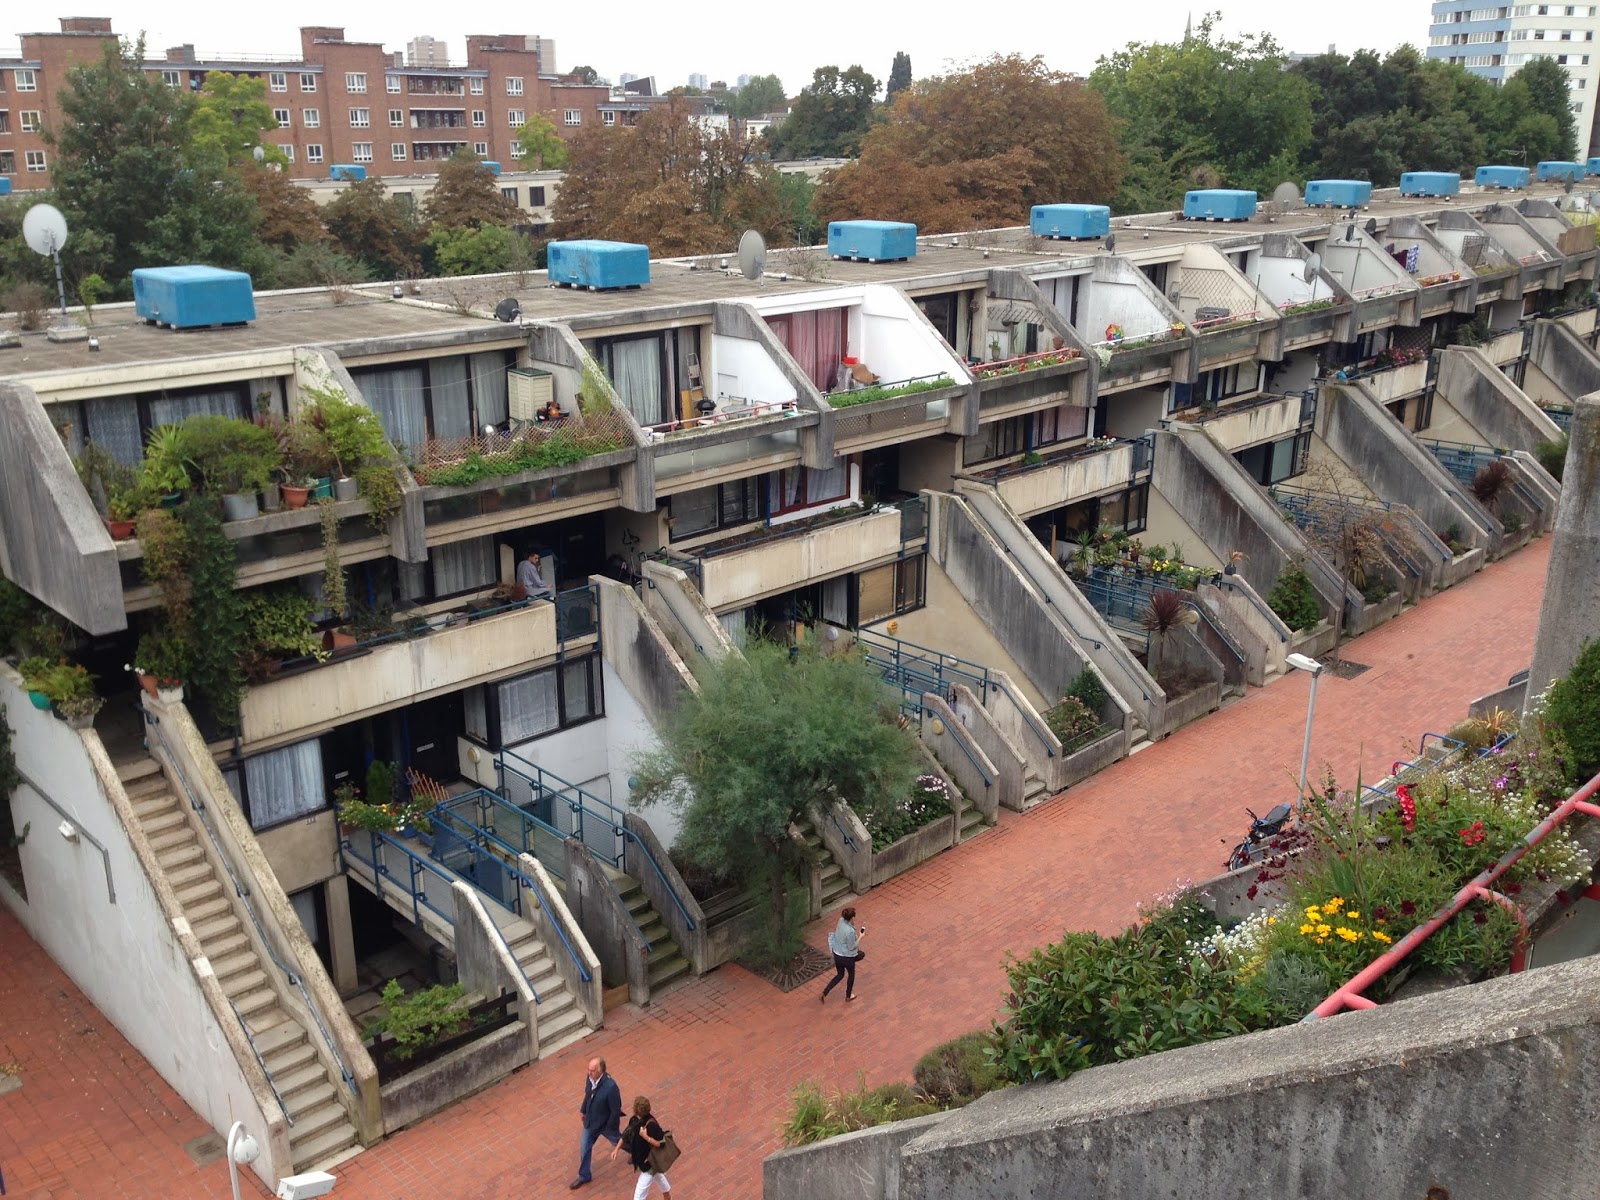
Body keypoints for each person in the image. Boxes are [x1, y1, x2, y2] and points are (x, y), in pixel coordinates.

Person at [569, 1057, 621, 1189]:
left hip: (605, 1124)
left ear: (600, 1070)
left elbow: (615, 1110)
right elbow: (588, 1094)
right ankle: (584, 1176)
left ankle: (637, 1151)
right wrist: (583, 1110)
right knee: (585, 1147)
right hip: (591, 1122)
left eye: (592, 1070)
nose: (589, 1073)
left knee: (619, 1141)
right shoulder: (590, 1078)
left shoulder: (611, 1087)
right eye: (588, 1070)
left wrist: (611, 1126)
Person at [610, 1095, 672, 1198]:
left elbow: (661, 1143)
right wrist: (617, 1149)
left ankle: (668, 1197)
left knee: (638, 1195)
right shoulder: (634, 1120)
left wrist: (646, 1137)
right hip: (643, 1160)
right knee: (658, 1176)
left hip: (649, 1163)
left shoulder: (651, 1125)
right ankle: (668, 1197)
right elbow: (626, 1133)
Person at [820, 905, 864, 1002]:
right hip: (846, 958)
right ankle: (848, 995)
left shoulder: (840, 921)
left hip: (837, 954)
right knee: (851, 975)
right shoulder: (850, 932)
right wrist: (860, 937)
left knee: (840, 975)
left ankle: (825, 992)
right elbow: (852, 946)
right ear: (852, 917)